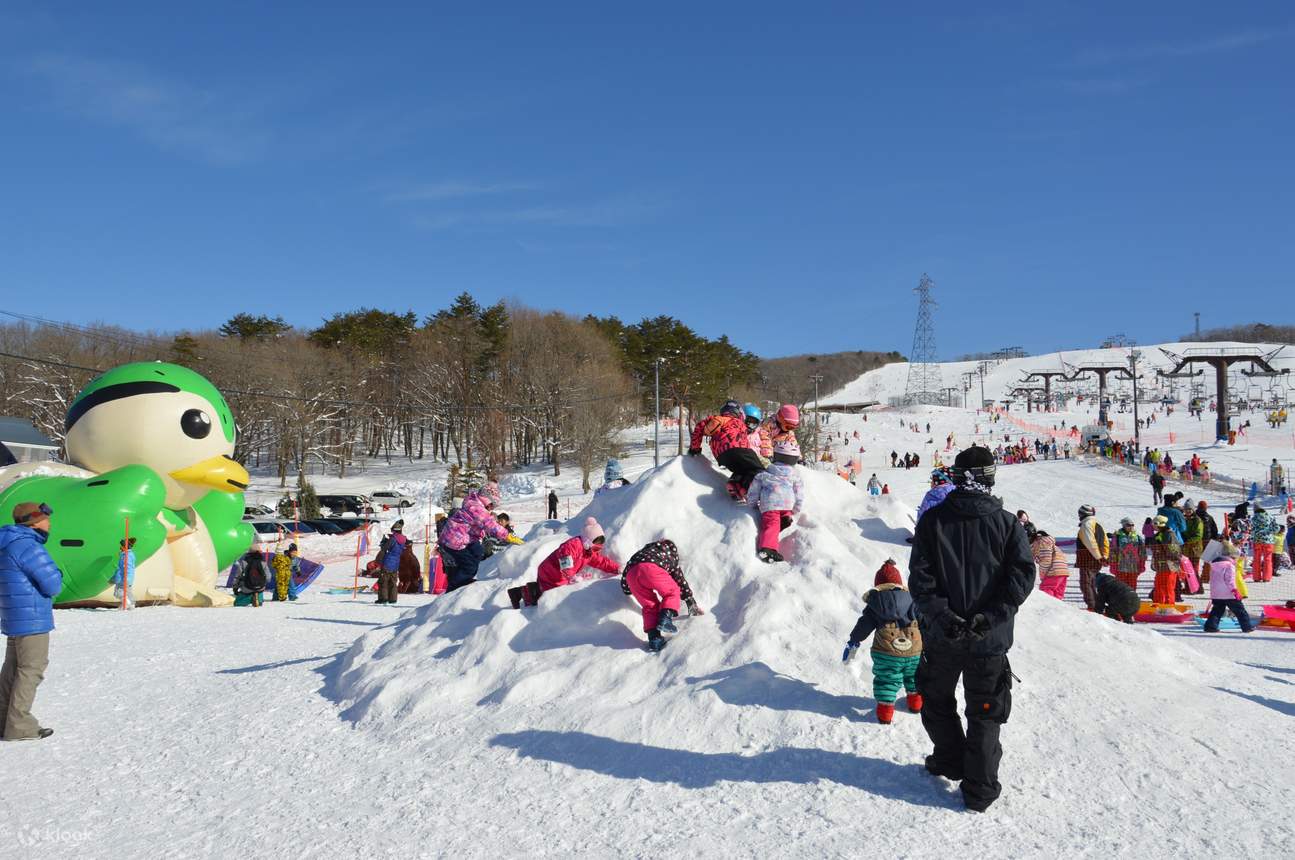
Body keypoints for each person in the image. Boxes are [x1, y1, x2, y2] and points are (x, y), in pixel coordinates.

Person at [909, 446, 1034, 813]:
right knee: (984, 710)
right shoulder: (1007, 523)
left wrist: (945, 618)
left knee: (936, 698)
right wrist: (989, 618)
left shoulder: (933, 521)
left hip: (943, 636)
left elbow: (921, 581)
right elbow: (1021, 579)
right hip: (987, 640)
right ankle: (978, 788)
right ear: (988, 477)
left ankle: (950, 760)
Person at [0, 502, 63, 741]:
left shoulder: (6, 544)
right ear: (34, 522)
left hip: (14, 616)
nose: (49, 524)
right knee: (31, 670)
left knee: (12, 669)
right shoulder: (29, 546)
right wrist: (58, 573)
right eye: (46, 519)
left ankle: (4, 719)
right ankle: (19, 725)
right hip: (32, 618)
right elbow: (52, 584)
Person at [842, 560, 923, 724]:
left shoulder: (875, 603)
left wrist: (854, 641)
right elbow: (924, 620)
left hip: (887, 652)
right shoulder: (913, 600)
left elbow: (864, 625)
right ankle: (916, 704)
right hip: (914, 650)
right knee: (914, 676)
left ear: (878, 584)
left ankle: (885, 714)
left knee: (887, 680)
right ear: (899, 583)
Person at [621, 539, 698, 652]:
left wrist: (627, 589)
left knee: (649, 606)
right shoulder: (669, 554)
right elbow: (679, 579)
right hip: (651, 568)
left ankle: (654, 640)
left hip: (631, 576)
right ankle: (665, 619)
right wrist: (689, 599)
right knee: (672, 591)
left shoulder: (641, 553)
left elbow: (625, 576)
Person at [440, 489, 518, 591]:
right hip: (454, 540)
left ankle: (465, 577)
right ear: (486, 500)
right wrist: (508, 536)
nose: (491, 508)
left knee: (479, 552)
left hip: (466, 538)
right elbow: (490, 525)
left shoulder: (476, 504)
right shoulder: (476, 508)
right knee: (470, 566)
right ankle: (453, 586)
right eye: (491, 505)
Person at [689, 400, 765, 502]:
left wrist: (695, 448)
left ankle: (735, 484)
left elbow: (699, 427)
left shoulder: (717, 419)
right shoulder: (740, 423)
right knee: (757, 469)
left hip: (722, 456)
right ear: (739, 413)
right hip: (739, 449)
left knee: (742, 469)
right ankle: (749, 490)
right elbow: (745, 441)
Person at [747, 436, 804, 563]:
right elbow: (799, 494)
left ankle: (768, 546)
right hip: (787, 506)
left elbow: (754, 489)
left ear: (775, 456)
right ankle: (767, 549)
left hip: (770, 505)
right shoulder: (795, 475)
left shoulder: (765, 473)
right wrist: (796, 509)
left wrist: (752, 503)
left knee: (771, 525)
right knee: (778, 521)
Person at [537, 518, 620, 592]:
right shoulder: (573, 545)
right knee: (547, 597)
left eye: (598, 549)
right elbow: (565, 563)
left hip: (560, 578)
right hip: (549, 573)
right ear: (587, 542)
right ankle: (528, 593)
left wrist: (617, 569)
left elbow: (601, 562)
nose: (596, 551)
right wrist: (573, 577)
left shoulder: (589, 553)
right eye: (595, 548)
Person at [1201, 542, 1256, 633]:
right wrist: (1235, 591)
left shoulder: (1214, 566)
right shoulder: (1229, 566)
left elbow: (1214, 581)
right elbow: (1229, 580)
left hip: (1217, 594)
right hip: (1229, 594)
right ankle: (1247, 627)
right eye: (1234, 557)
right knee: (1240, 611)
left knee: (1217, 611)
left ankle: (1210, 626)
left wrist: (1214, 593)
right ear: (1231, 556)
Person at [1075, 505, 1108, 611]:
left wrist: (1098, 556)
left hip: (1088, 559)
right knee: (1091, 583)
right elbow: (1106, 542)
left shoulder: (1086, 524)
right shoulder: (1098, 525)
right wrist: (1105, 556)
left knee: (1086, 583)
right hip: (1096, 559)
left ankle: (1092, 606)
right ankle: (1096, 605)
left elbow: (1090, 542)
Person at [1026, 523, 1069, 599]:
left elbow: (1046, 560)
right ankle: (1057, 609)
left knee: (1046, 590)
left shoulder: (1042, 543)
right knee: (1057, 594)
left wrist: (1043, 576)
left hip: (1053, 571)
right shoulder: (1044, 542)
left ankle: (1049, 608)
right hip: (1062, 571)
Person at [1148, 515, 1183, 606]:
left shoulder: (1169, 534)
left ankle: (1168, 605)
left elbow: (1173, 551)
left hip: (1169, 566)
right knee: (1158, 586)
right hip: (1161, 566)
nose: (1153, 526)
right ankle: (1158, 604)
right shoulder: (1159, 535)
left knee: (1168, 587)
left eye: (1154, 524)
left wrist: (1161, 549)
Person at [376, 520, 408, 604]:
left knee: (383, 581)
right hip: (396, 563)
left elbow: (385, 548)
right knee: (393, 582)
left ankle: (383, 598)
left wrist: (383, 543)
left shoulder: (393, 539)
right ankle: (393, 599)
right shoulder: (403, 539)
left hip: (388, 561)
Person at [1111, 517, 1145, 592]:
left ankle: (1131, 601)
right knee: (1120, 586)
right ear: (1123, 525)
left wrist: (1142, 564)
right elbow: (1113, 551)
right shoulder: (1117, 537)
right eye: (1128, 525)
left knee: (1132, 586)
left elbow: (1142, 551)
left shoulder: (1137, 537)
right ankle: (1120, 602)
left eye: (1132, 525)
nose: (1131, 527)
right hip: (1120, 566)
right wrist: (1113, 564)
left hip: (1134, 566)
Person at [1251, 503, 1279, 583]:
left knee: (1256, 559)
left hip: (1257, 540)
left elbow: (1250, 529)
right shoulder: (1270, 517)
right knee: (1268, 559)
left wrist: (1256, 533)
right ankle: (1266, 578)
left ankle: (1256, 577)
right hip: (1268, 541)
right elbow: (1276, 528)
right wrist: (1269, 532)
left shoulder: (1253, 518)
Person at [112, 537, 137, 609]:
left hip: (124, 578)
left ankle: (126, 602)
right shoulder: (130, 555)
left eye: (121, 546)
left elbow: (124, 568)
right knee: (128, 592)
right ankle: (131, 605)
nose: (120, 547)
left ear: (125, 547)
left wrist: (123, 578)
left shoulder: (126, 556)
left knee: (118, 592)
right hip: (128, 578)